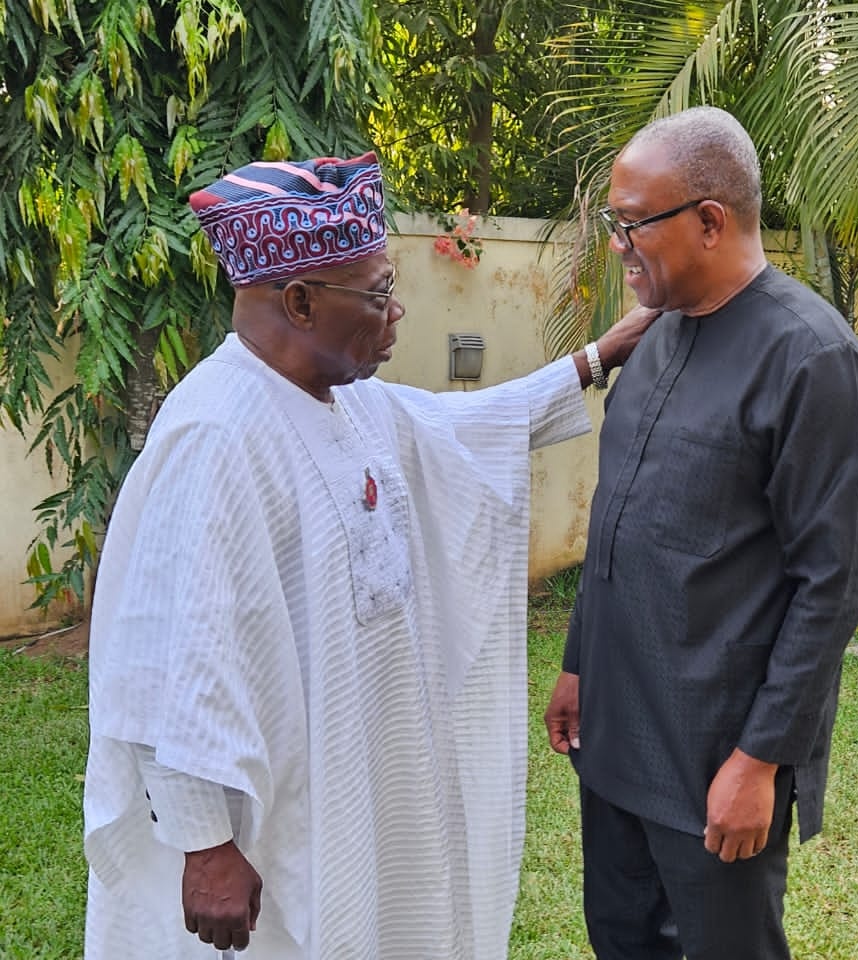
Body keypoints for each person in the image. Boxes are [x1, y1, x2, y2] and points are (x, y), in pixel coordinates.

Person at [82, 152, 656, 960]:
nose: (398, 312)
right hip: (268, 827)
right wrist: (204, 845)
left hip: (362, 777)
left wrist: (600, 356)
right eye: (380, 292)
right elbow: (160, 663)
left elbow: (465, 432)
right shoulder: (216, 434)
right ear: (300, 300)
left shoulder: (349, 401)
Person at [544, 106, 858, 960]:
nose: (617, 244)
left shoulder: (812, 359)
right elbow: (619, 518)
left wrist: (761, 760)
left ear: (708, 221)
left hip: (712, 755)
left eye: (630, 224)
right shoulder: (656, 335)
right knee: (621, 939)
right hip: (615, 734)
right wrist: (580, 663)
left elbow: (831, 586)